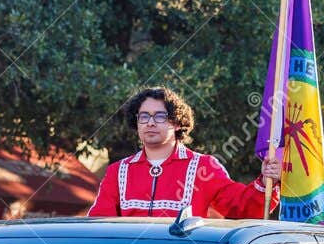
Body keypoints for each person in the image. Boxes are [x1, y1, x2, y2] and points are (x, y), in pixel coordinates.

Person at [89, 87, 282, 219]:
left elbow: (241, 208)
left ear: (177, 122)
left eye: (160, 116)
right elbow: (100, 224)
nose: (150, 122)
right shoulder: (118, 170)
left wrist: (266, 182)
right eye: (144, 116)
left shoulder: (204, 166)